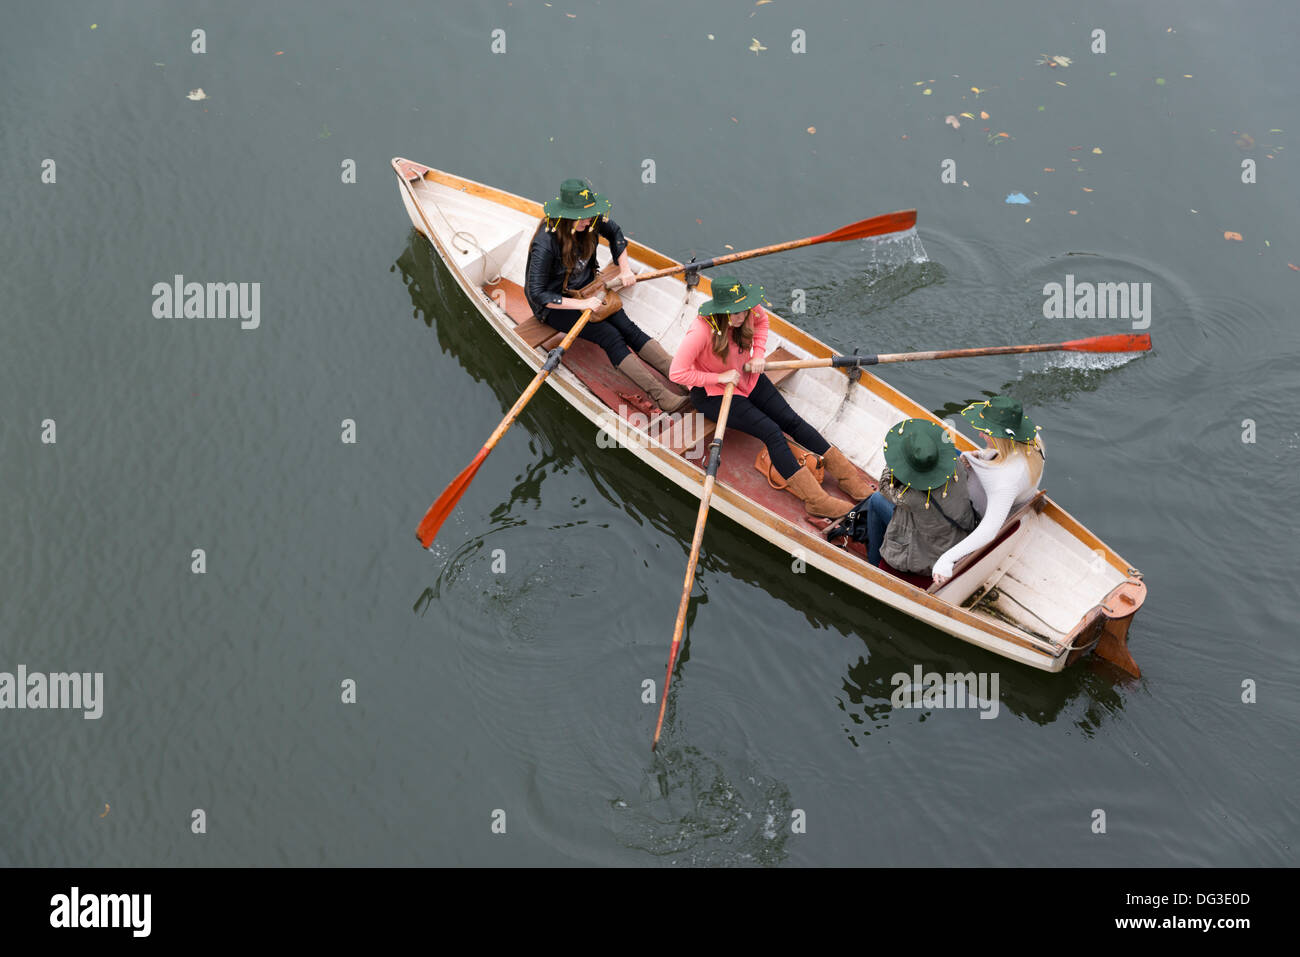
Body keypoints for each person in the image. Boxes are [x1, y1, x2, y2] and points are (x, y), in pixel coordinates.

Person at [668, 275, 873, 517]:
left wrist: (758, 355)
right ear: (721, 310)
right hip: (715, 393)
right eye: (735, 313)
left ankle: (848, 478)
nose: (742, 316)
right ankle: (816, 500)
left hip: (748, 377)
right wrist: (718, 378)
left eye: (743, 310)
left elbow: (763, 320)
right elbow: (677, 373)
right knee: (771, 432)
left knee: (791, 421)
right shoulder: (701, 331)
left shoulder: (747, 309)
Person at [524, 178, 690, 413]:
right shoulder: (546, 243)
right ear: (567, 216)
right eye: (583, 216)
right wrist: (580, 305)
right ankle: (664, 398)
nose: (590, 219)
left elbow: (615, 232)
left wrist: (624, 269)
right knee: (610, 336)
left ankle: (682, 378)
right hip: (555, 305)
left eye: (590, 214)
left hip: (590, 289)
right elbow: (538, 293)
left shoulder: (589, 223)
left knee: (629, 329)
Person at [930, 396, 1046, 587]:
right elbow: (1001, 457)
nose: (981, 436)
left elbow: (988, 530)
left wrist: (946, 560)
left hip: (976, 516)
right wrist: (981, 456)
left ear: (1001, 438)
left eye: (986, 432)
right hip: (1002, 496)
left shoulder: (1007, 480)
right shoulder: (1032, 440)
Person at [855, 418, 977, 576]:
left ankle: (873, 565)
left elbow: (884, 486)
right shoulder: (956, 463)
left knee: (876, 500)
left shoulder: (911, 497)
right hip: (956, 539)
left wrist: (896, 460)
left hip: (929, 558)